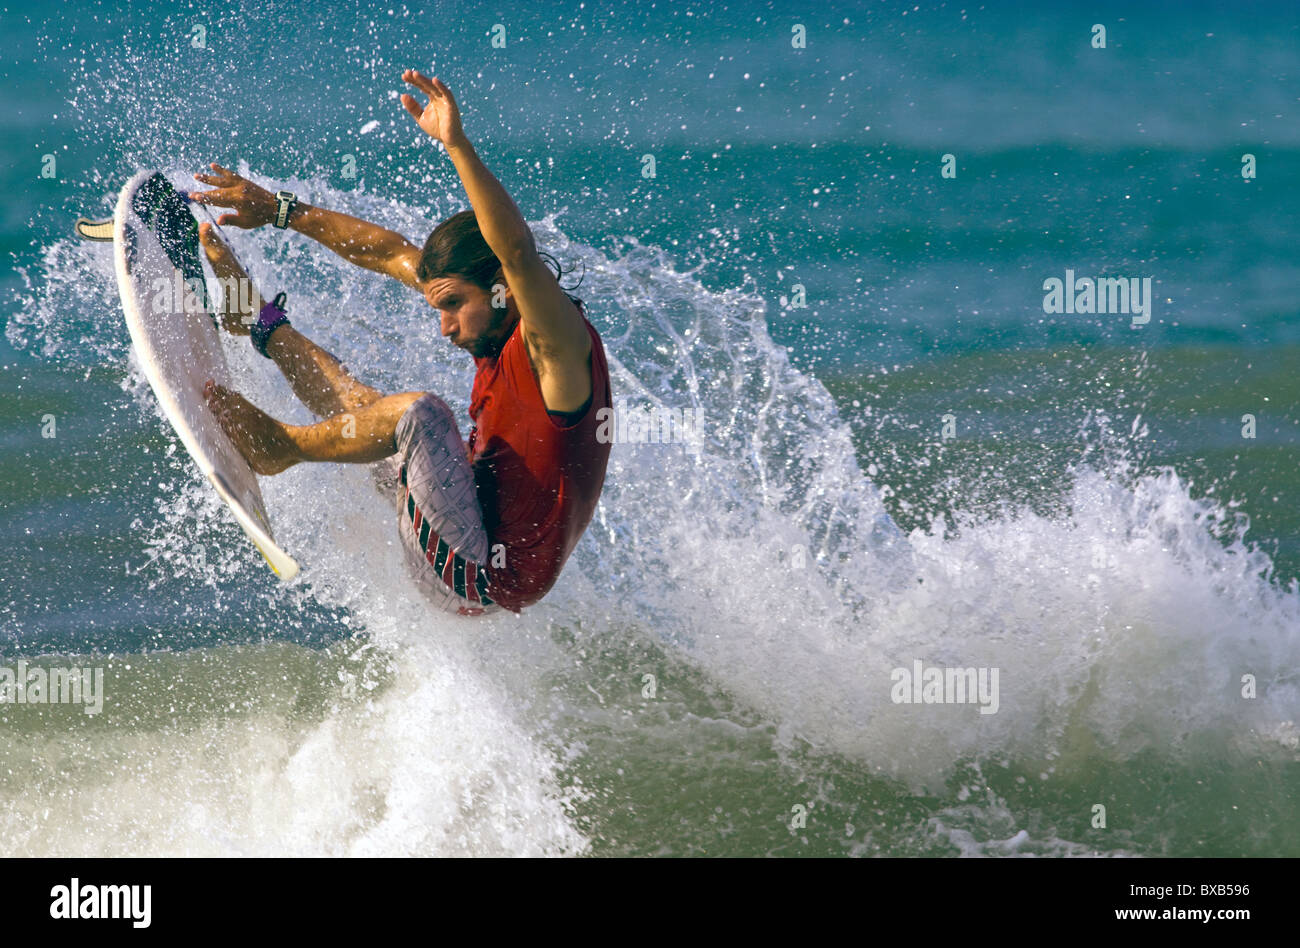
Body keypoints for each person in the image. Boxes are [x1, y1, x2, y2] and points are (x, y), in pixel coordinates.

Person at [190, 70, 612, 616]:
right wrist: (280, 211)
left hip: (480, 576)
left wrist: (457, 147)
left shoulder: (554, 346)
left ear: (503, 288)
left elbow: (517, 252)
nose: (444, 326)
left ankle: (282, 447)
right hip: (462, 521)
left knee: (420, 417)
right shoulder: (494, 320)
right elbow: (388, 253)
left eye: (453, 305)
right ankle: (261, 320)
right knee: (367, 409)